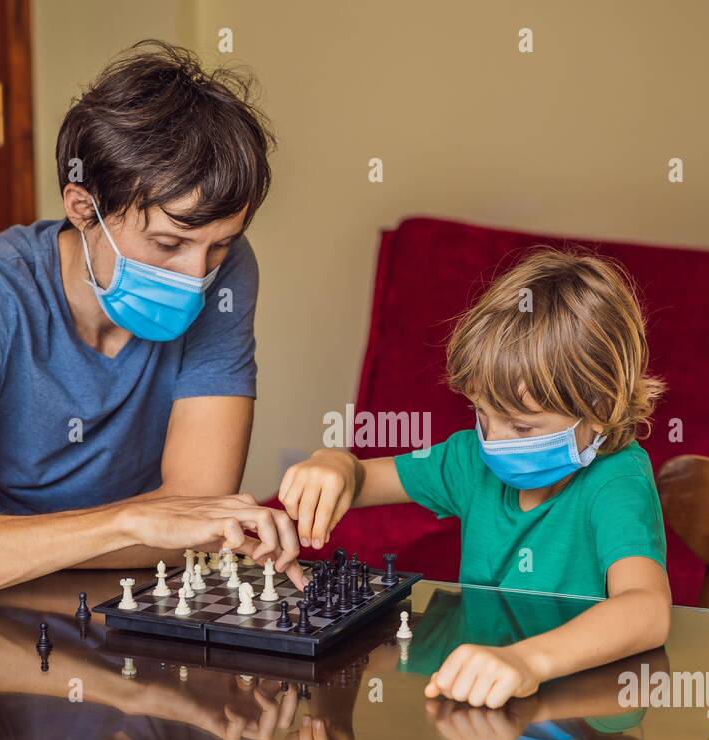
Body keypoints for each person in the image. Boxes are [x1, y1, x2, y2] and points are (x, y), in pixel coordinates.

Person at [0, 41, 304, 602]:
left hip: (114, 611)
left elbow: (194, 518)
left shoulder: (228, 275)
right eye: (167, 244)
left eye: (220, 246)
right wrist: (130, 523)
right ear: (84, 209)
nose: (195, 275)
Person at [277, 249, 672, 707]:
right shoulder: (471, 458)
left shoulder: (616, 479)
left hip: (580, 717)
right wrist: (337, 463)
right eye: (482, 415)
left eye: (522, 427)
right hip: (483, 705)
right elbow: (362, 480)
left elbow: (647, 609)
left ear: (601, 411)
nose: (495, 442)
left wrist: (528, 662)